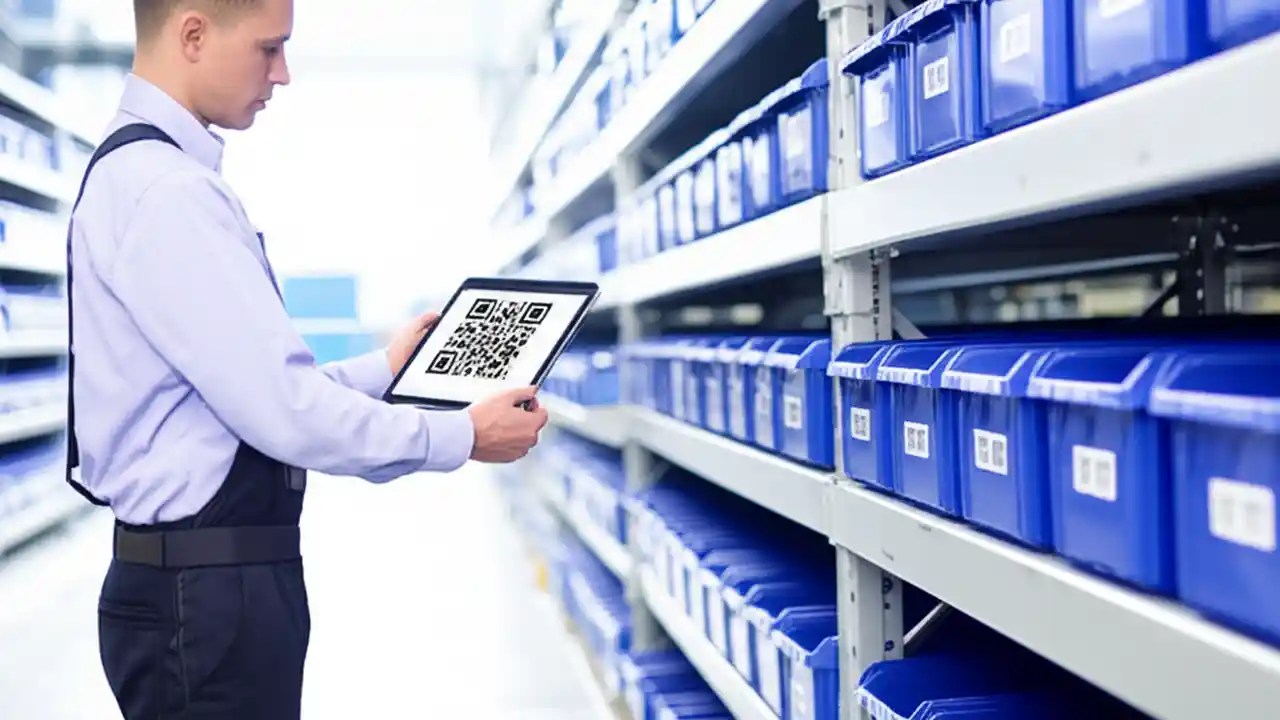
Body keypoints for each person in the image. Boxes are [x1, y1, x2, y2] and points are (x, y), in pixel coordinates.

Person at [66, 0, 549, 717]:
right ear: (193, 34)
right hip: (202, 600)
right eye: (269, 48)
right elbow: (288, 414)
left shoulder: (152, 179)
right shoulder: (167, 193)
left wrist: (387, 368)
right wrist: (463, 435)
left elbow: (242, 401)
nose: (282, 74)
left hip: (205, 587)